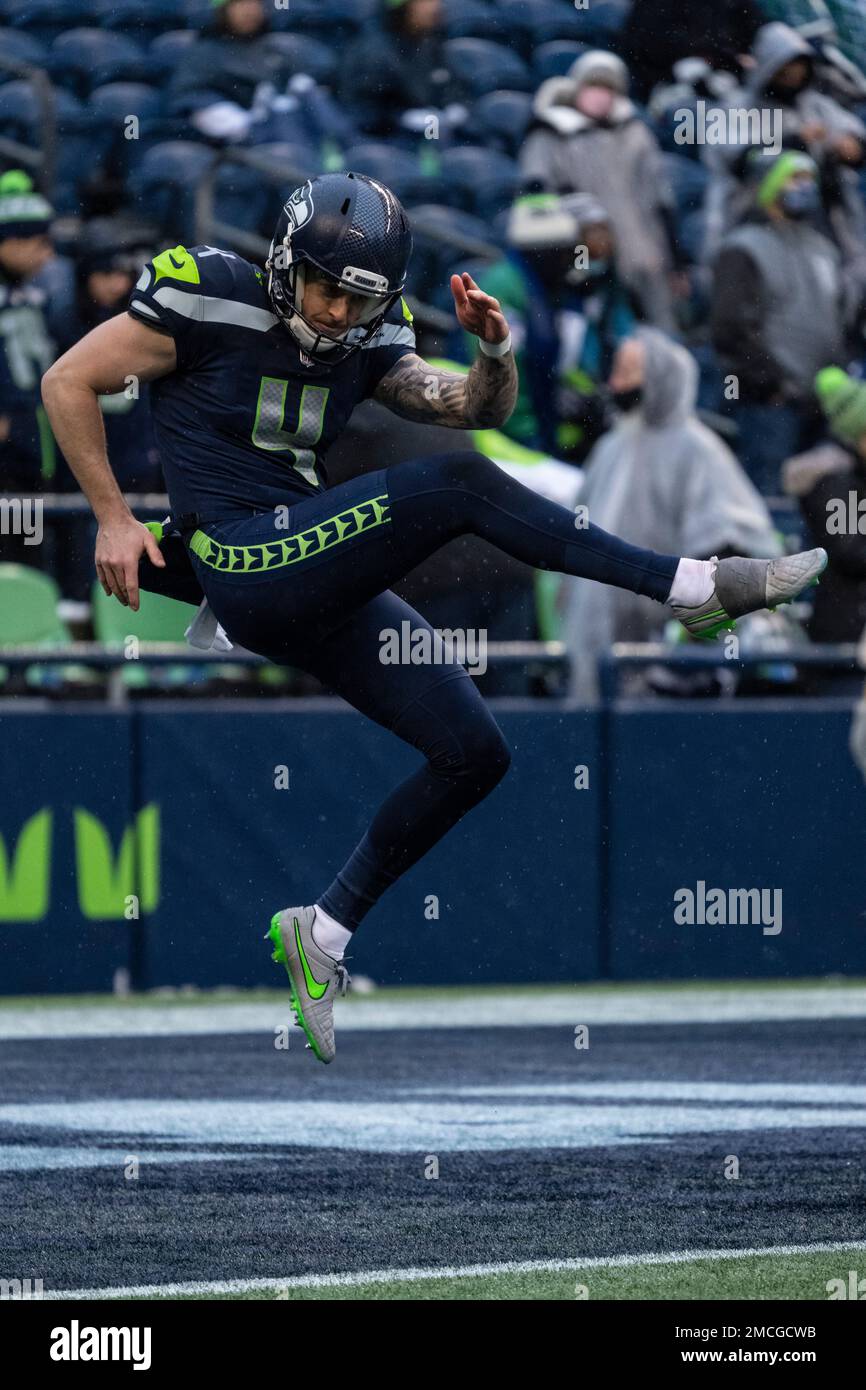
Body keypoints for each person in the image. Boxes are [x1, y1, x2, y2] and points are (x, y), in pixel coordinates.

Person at [41, 172, 826, 1063]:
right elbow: (68, 380)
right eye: (327, 288)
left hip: (306, 565)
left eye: (359, 297)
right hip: (238, 556)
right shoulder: (204, 290)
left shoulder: (369, 330)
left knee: (475, 751)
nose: (338, 312)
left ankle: (324, 934)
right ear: (284, 263)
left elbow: (465, 411)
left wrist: (495, 355)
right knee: (456, 489)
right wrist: (110, 514)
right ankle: (694, 586)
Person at [562, 330, 780, 700]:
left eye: (628, 372)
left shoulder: (697, 449)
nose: (615, 383)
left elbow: (728, 542)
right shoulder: (612, 446)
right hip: (596, 638)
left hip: (660, 656)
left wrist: (685, 630)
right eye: (615, 372)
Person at [711, 150, 846, 494]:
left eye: (809, 179)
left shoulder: (823, 249)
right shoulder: (743, 248)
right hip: (771, 407)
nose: (806, 187)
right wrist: (773, 386)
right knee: (771, 501)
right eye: (795, 178)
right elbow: (730, 329)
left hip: (824, 404)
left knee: (817, 503)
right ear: (769, 186)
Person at [518, 50, 683, 330]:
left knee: (655, 337)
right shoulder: (551, 133)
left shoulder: (636, 135)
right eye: (594, 86)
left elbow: (661, 198)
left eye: (609, 88)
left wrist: (678, 262)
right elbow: (535, 196)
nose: (601, 94)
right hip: (583, 264)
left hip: (646, 258)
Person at [466, 192, 637, 460]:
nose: (571, 260)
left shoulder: (545, 290)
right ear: (542, 250)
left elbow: (555, 364)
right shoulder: (504, 288)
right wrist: (538, 432)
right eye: (564, 251)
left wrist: (582, 395)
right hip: (503, 439)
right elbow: (499, 373)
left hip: (538, 430)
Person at [0, 171, 56, 501]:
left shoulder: (31, 294)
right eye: (40, 244)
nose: (48, 255)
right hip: (9, 461)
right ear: (10, 242)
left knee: (33, 548)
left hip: (32, 452)